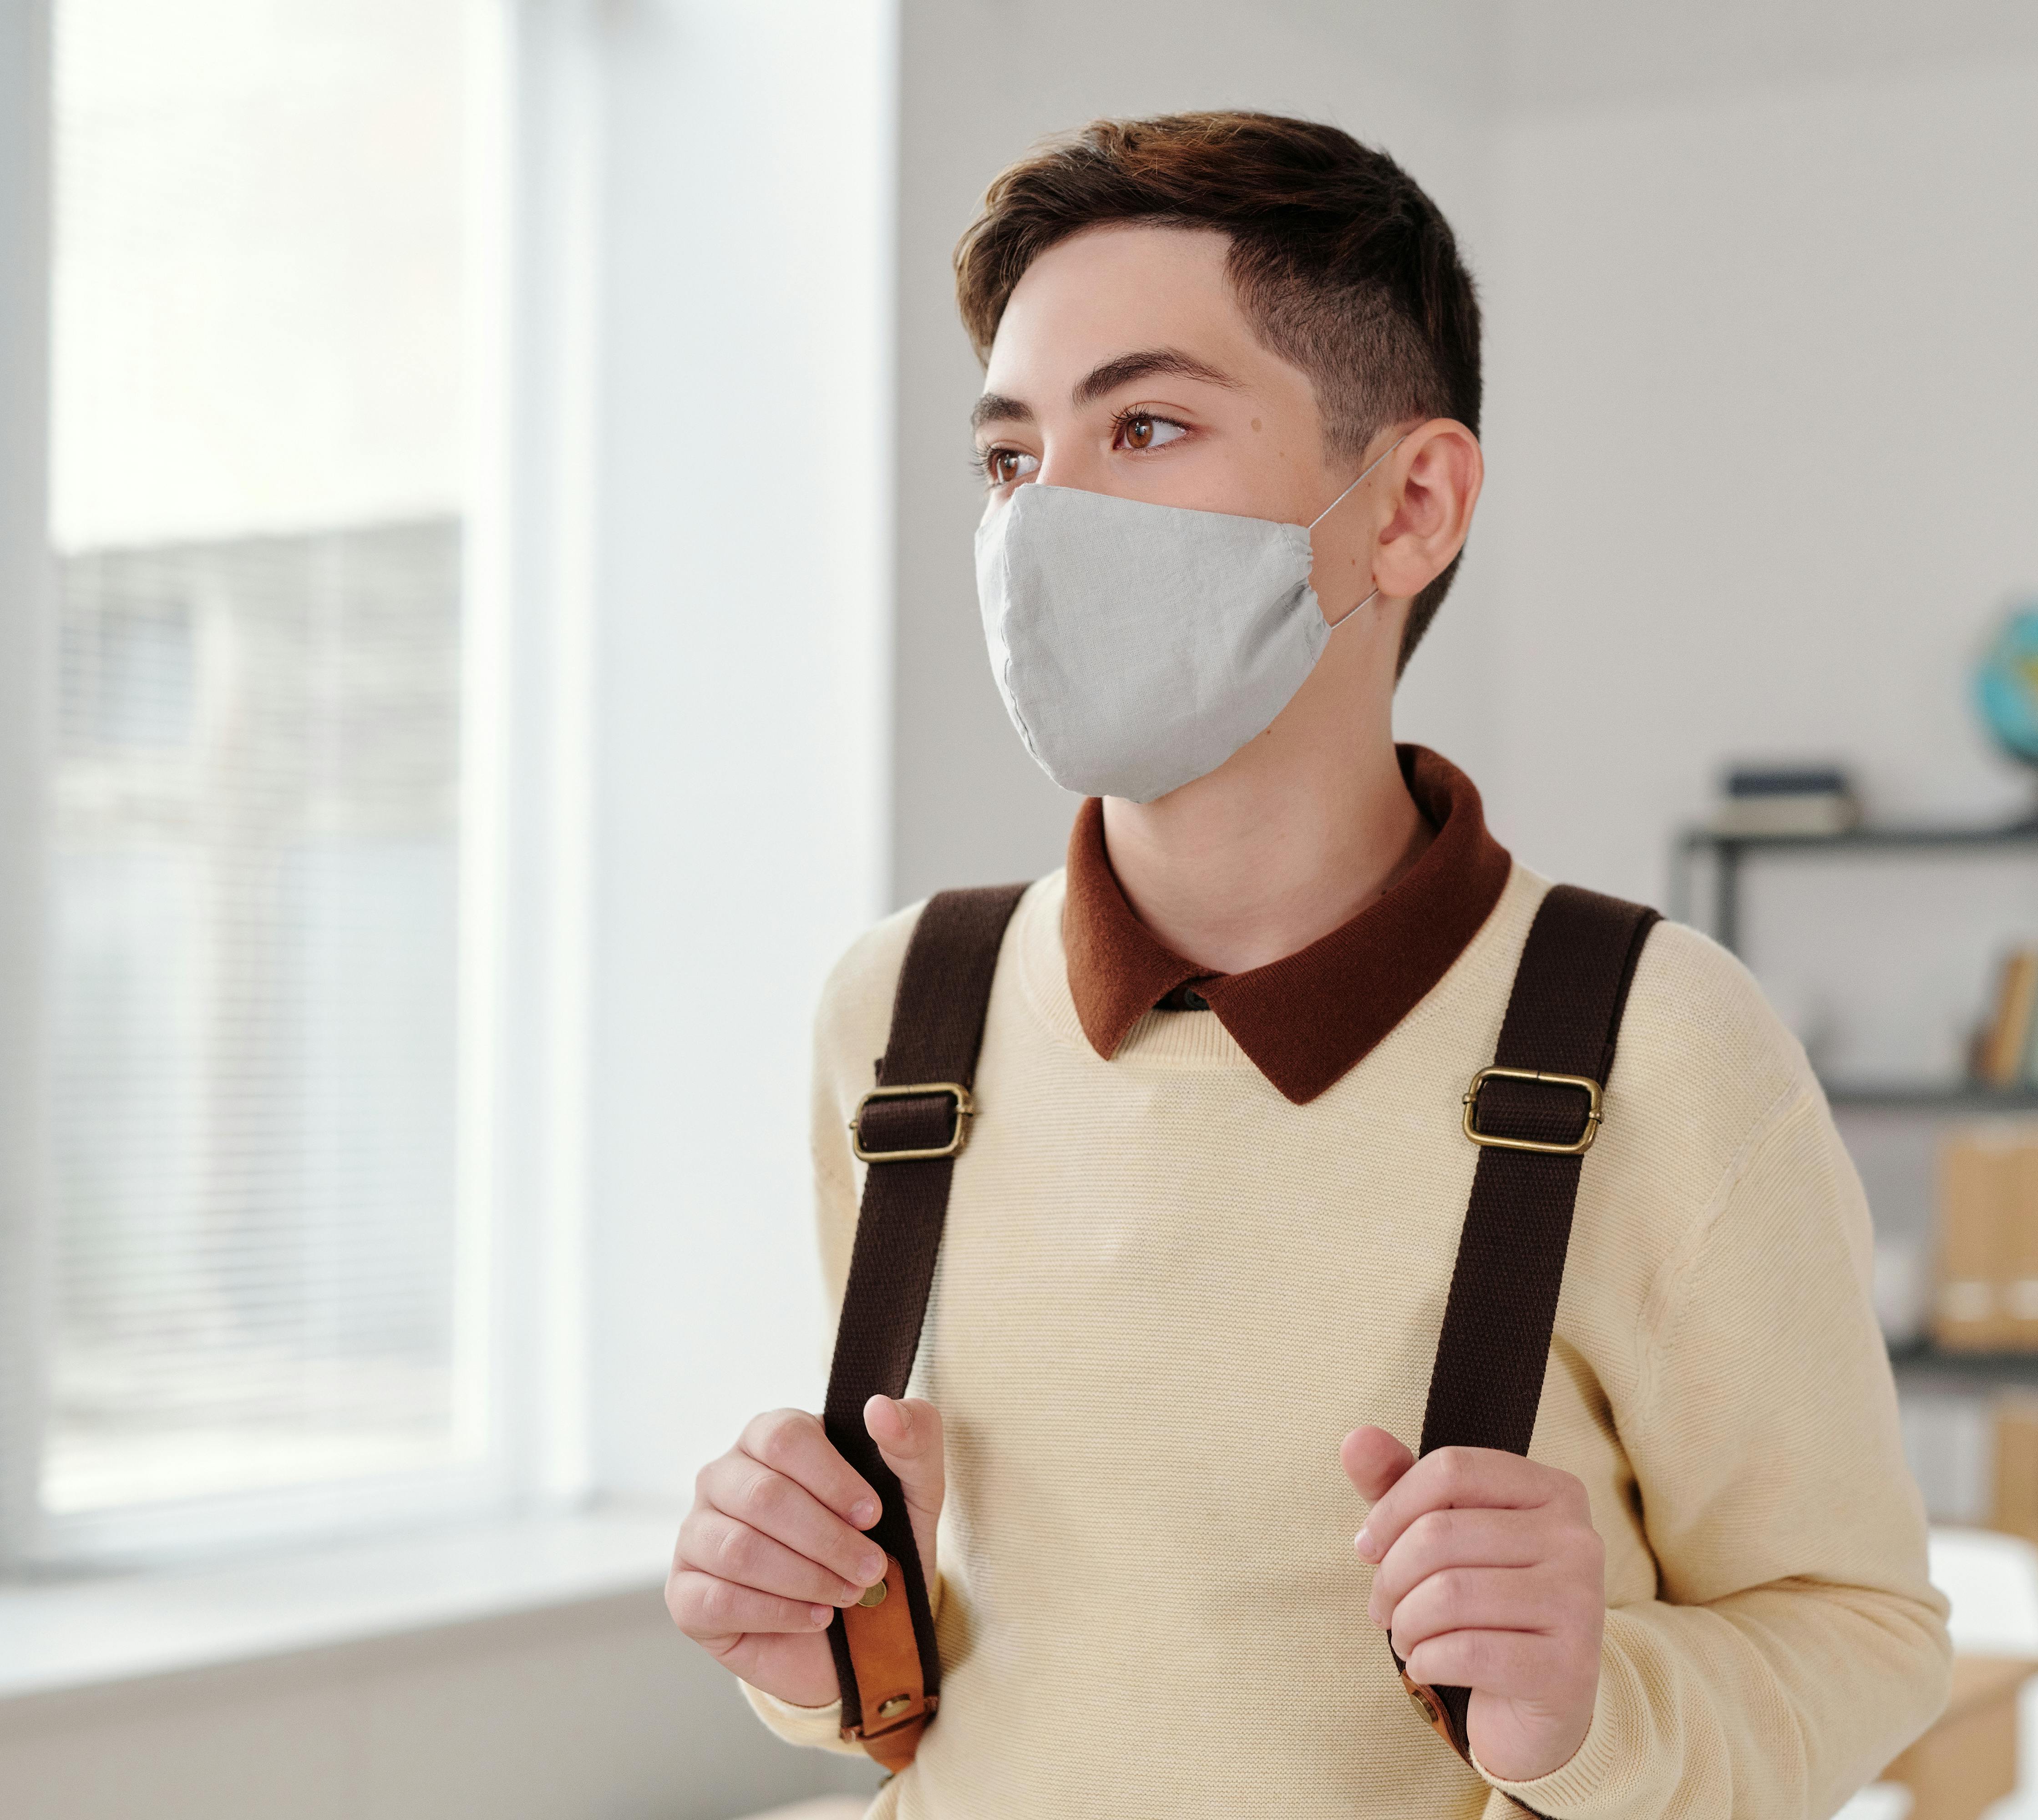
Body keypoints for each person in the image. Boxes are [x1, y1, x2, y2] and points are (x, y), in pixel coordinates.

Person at [667, 111, 1952, 1819]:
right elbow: (976, 1671)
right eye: (1008, 458)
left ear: (1410, 504)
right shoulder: (903, 1014)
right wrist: (821, 1640)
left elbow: (1862, 1637)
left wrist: (1596, 1709)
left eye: (1147, 424)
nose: (1047, 519)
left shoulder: (1656, 1040)